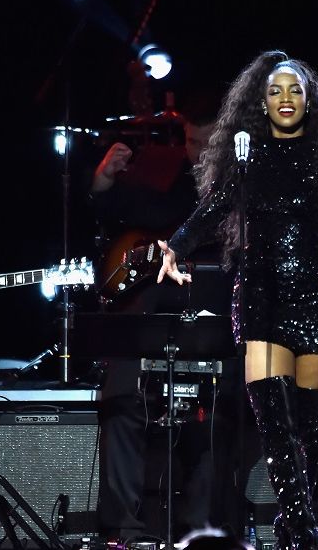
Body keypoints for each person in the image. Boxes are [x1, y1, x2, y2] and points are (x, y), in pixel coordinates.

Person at [156, 50, 318, 550]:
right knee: (275, 424)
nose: (285, 98)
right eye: (275, 91)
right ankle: (303, 534)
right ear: (261, 100)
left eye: (294, 90)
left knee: (309, 425)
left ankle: (292, 525)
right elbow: (213, 209)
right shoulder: (246, 152)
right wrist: (177, 245)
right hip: (261, 296)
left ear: (308, 99)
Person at [90, 108, 248, 543]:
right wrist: (104, 179)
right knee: (120, 394)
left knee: (225, 408)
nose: (198, 154)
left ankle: (203, 532)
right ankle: (121, 528)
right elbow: (118, 209)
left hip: (220, 331)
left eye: (207, 144)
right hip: (154, 324)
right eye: (192, 143)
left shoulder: (248, 185)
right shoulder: (169, 180)